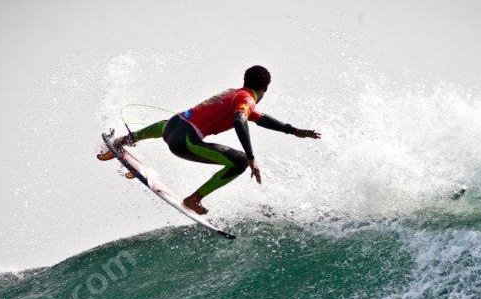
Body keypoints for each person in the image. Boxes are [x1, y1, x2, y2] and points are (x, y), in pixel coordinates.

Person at [97, 65, 321, 215]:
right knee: (240, 161)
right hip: (185, 142)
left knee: (170, 121)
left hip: (170, 128)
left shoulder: (233, 94)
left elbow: (261, 119)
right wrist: (251, 158)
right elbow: (240, 121)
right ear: (265, 89)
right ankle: (194, 199)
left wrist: (293, 130)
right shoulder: (246, 99)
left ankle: (123, 141)